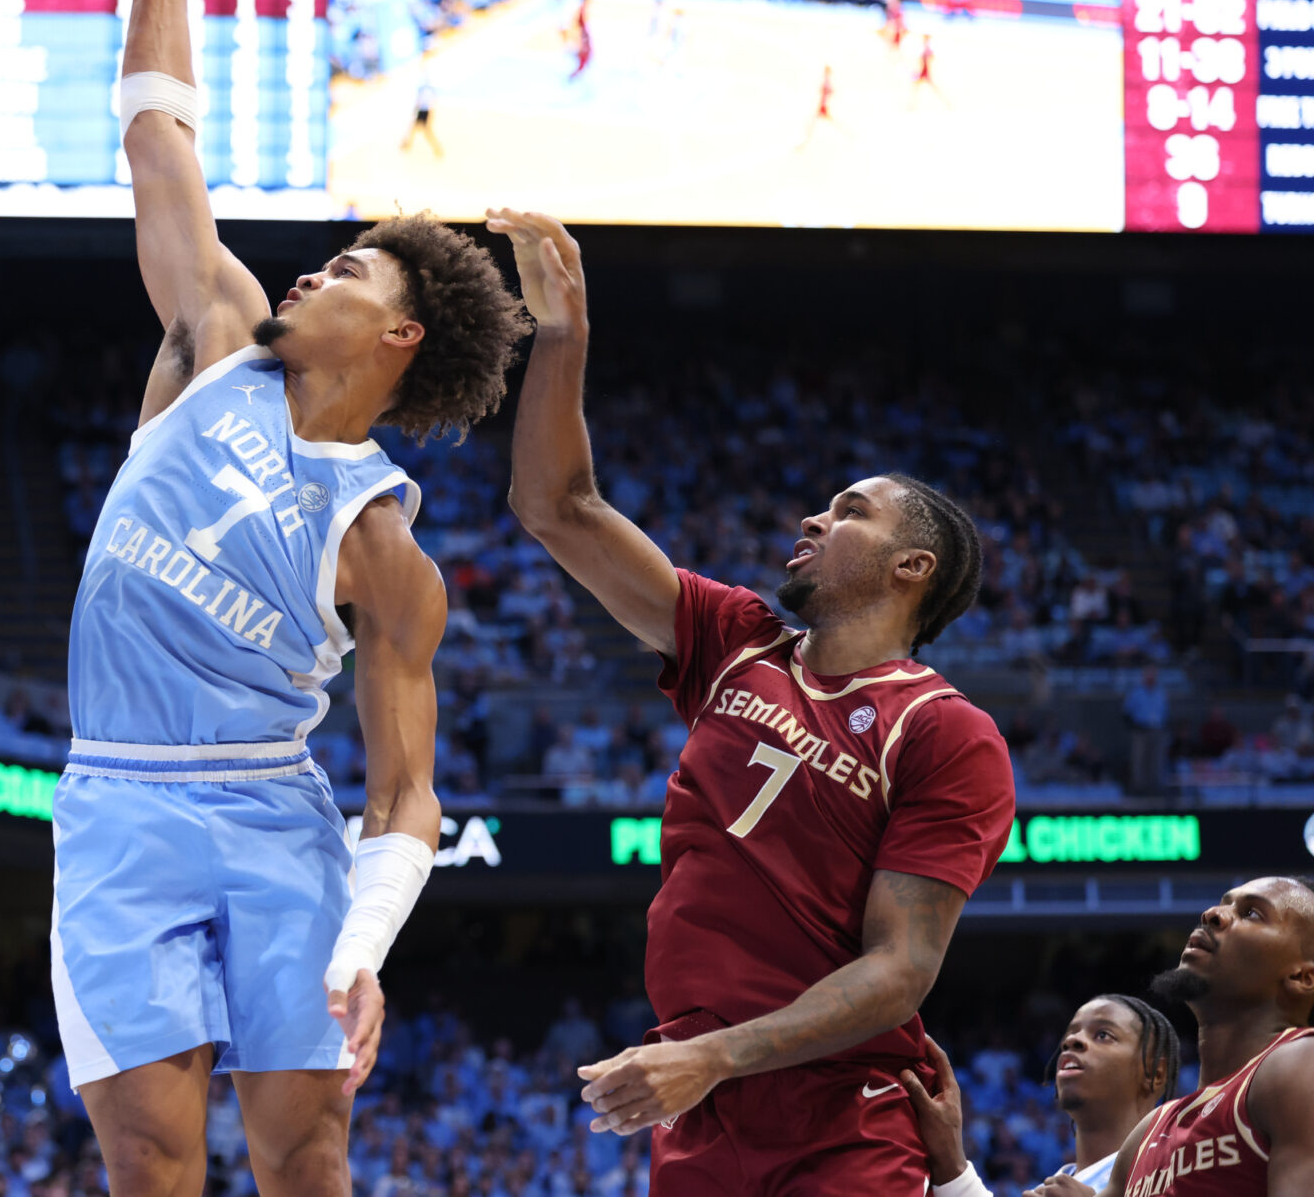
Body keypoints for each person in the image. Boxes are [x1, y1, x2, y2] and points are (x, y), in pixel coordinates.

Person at [52, 0, 532, 1197]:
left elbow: (405, 793)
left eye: (354, 269)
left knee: (303, 1152)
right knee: (150, 1157)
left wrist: (362, 944)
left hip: (273, 817)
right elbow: (159, 139)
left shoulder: (384, 546)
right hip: (119, 800)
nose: (318, 269)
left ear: (399, 336)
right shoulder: (217, 342)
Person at [493, 209, 1015, 1193]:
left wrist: (717, 1052)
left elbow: (899, 969)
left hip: (840, 1110)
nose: (814, 515)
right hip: (697, 1100)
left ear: (913, 566)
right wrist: (562, 336)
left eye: (848, 509)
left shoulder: (945, 731)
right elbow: (554, 507)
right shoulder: (735, 642)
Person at [1039, 877, 1314, 1196]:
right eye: (1222, 903)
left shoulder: (1300, 1065)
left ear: (1302, 977)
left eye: (1252, 913)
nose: (1212, 913)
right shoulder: (1148, 1133)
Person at [902, 996, 1180, 1194]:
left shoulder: (1181, 1176)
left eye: (1103, 1034)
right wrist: (951, 1161)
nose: (1071, 1041)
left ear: (1154, 1072)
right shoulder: (1052, 1188)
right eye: (1071, 1033)